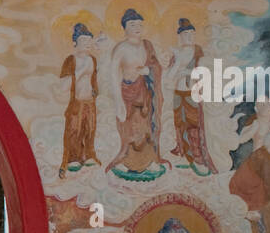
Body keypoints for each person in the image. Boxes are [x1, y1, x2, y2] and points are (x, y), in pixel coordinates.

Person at [105, 9, 167, 179]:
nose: (137, 27)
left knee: (146, 128)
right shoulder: (121, 48)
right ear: (124, 28)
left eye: (139, 24)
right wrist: (118, 101)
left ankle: (149, 160)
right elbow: (113, 74)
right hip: (128, 93)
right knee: (131, 129)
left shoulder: (147, 46)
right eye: (132, 24)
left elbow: (157, 67)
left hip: (145, 92)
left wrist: (149, 70)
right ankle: (128, 162)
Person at [166, 18, 214, 175]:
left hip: (192, 94)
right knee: (180, 125)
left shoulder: (198, 52)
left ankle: (198, 158)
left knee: (194, 126)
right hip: (178, 94)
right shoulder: (177, 54)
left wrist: (188, 72)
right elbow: (169, 78)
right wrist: (178, 61)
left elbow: (206, 73)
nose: (189, 37)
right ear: (180, 37)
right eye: (186, 34)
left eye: (192, 33)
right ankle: (185, 155)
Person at [58, 23, 98, 177]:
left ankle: (88, 155)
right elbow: (63, 86)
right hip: (77, 102)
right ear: (75, 43)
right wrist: (80, 71)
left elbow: (94, 80)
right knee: (75, 129)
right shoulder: (71, 60)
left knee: (90, 128)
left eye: (89, 41)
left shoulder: (92, 59)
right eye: (84, 41)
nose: (87, 44)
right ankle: (73, 157)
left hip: (90, 101)